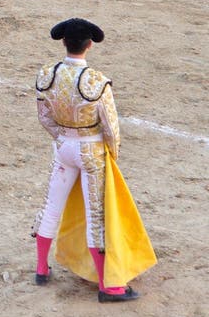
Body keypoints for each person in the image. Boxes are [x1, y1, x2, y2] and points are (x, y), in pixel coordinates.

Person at [32, 17, 150, 302]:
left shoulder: (47, 74)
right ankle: (107, 287)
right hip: (91, 151)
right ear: (89, 46)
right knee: (96, 215)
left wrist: (60, 138)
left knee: (51, 206)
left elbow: (44, 116)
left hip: (63, 148)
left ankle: (41, 269)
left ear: (63, 42)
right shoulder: (96, 81)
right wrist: (112, 154)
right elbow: (110, 126)